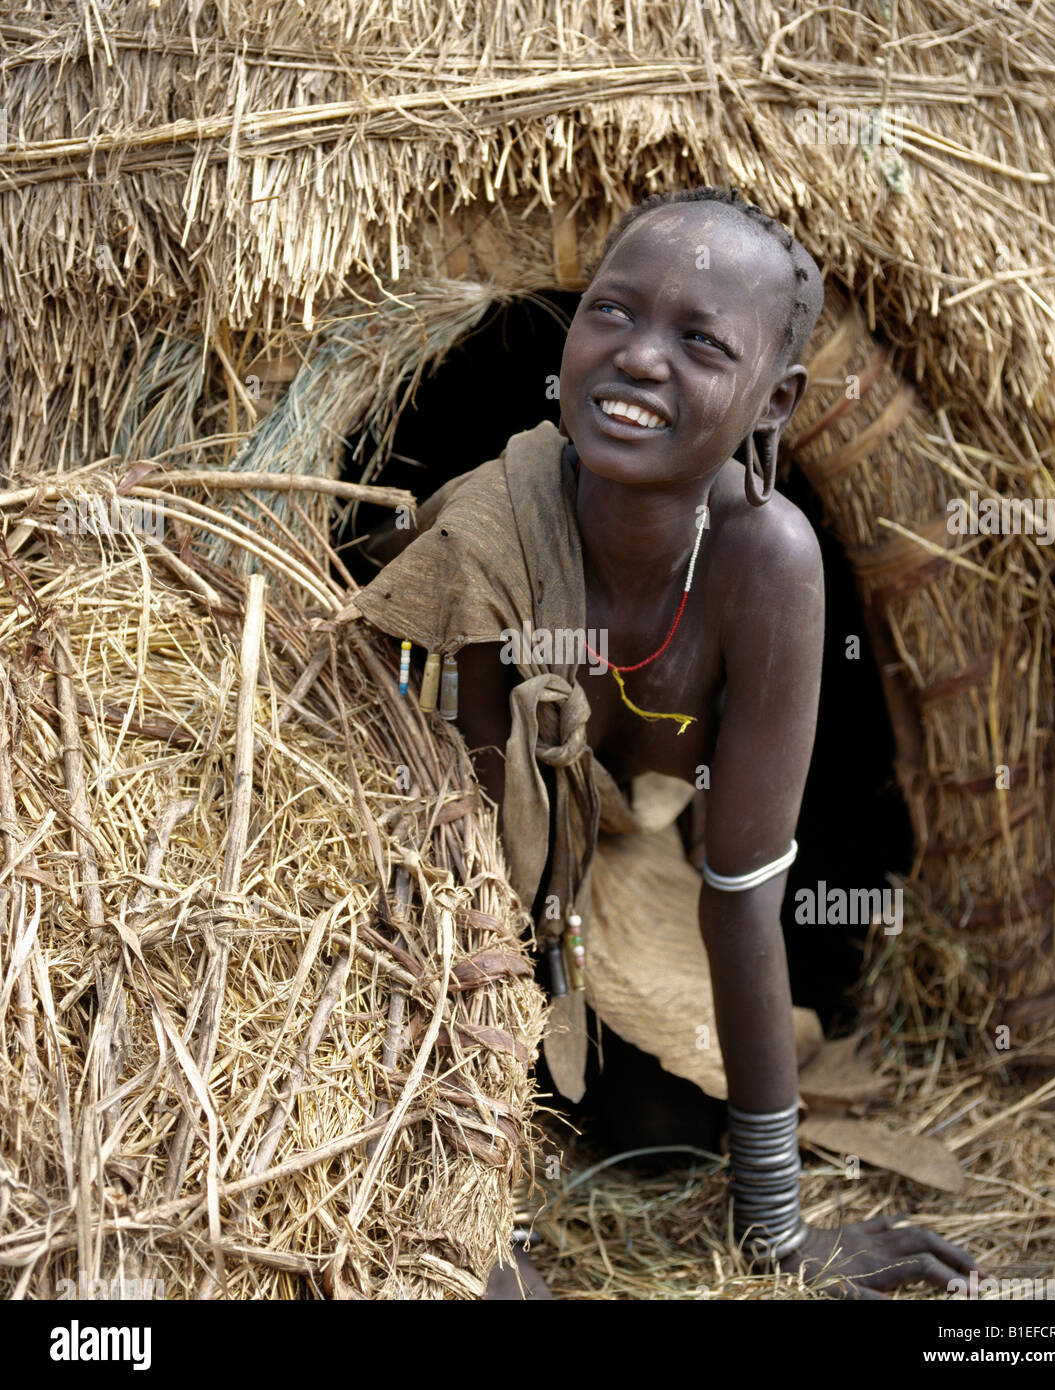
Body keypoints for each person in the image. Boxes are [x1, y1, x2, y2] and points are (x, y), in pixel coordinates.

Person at [347, 187, 979, 1299]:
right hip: (422, 915)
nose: (638, 358)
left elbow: (741, 891)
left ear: (774, 399)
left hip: (623, 879)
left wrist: (778, 1236)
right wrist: (472, 1205)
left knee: (664, 1120)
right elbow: (470, 891)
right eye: (612, 313)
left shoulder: (767, 566)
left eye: (698, 341)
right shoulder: (490, 536)